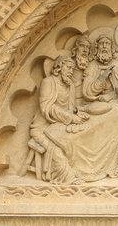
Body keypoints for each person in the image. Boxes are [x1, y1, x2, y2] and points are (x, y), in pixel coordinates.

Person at [29, 55, 88, 183]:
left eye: (72, 69)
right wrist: (71, 118)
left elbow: (71, 108)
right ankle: (69, 178)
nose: (71, 72)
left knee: (80, 142)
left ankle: (85, 173)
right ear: (59, 67)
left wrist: (77, 112)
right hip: (42, 129)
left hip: (61, 128)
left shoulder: (70, 86)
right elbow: (46, 107)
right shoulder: (48, 82)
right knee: (57, 151)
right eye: (68, 68)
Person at [81, 34, 115, 102]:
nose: (104, 46)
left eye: (107, 44)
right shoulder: (92, 66)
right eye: (101, 43)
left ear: (111, 47)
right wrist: (102, 78)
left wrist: (110, 96)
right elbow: (88, 92)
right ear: (97, 47)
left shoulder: (117, 65)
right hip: (96, 102)